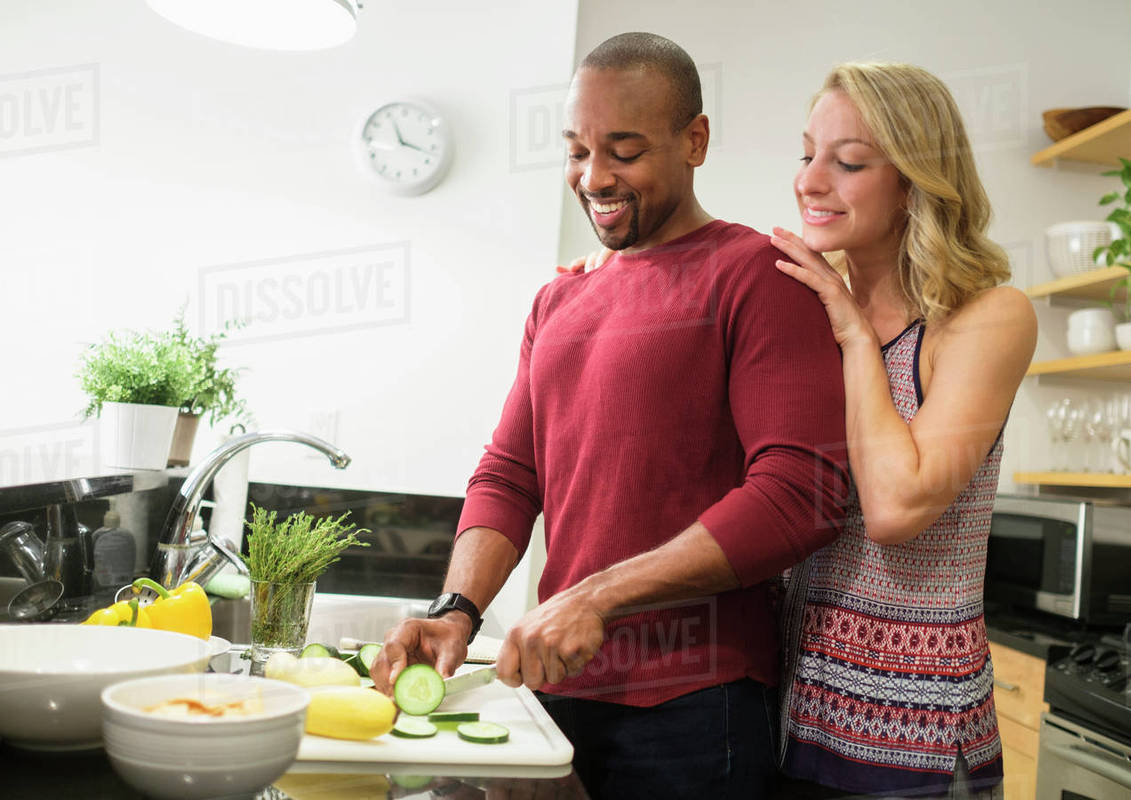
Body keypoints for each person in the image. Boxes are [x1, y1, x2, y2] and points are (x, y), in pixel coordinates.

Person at [371, 32, 850, 800]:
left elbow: (803, 493)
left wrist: (597, 596)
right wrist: (457, 609)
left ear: (694, 141)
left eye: (623, 150)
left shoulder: (757, 276)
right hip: (553, 691)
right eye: (577, 150)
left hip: (699, 708)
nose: (594, 176)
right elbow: (510, 472)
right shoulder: (559, 299)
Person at [566, 62, 1036, 799]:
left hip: (912, 737)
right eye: (807, 153)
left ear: (917, 179)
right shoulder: (803, 301)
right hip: (791, 718)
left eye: (847, 162)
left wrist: (852, 331)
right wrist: (622, 265)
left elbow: (895, 509)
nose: (811, 181)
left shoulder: (987, 318)